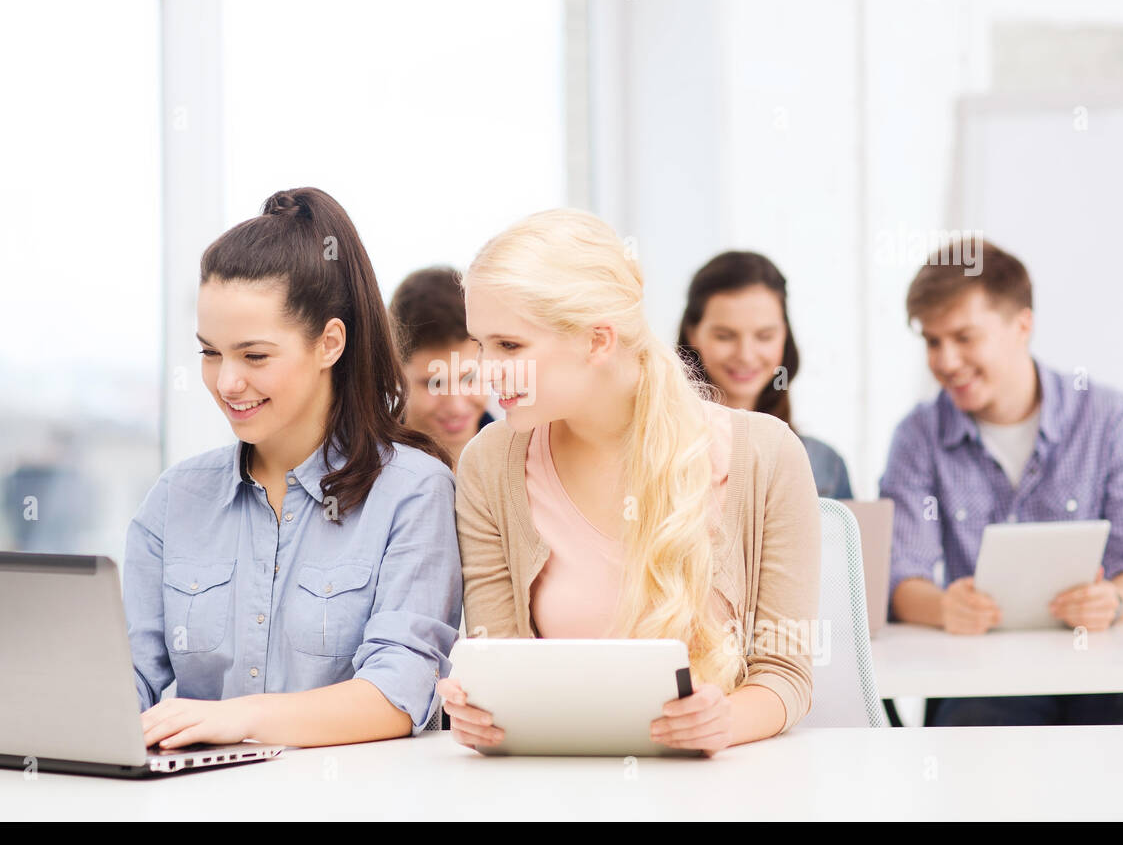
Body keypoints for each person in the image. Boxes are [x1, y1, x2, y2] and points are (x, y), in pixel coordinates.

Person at [439, 209, 821, 755]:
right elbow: (500, 663)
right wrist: (484, 718)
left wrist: (723, 722)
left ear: (597, 341)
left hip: (718, 786)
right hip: (561, 786)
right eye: (480, 344)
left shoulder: (768, 454)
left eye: (509, 346)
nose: (485, 370)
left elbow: (785, 672)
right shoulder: (489, 464)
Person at [124, 187, 463, 749]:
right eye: (210, 352)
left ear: (329, 342)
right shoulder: (175, 497)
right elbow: (129, 677)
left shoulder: (413, 492)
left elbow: (400, 689)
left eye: (254, 356)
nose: (227, 382)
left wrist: (242, 718)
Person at [880, 238, 1123, 726]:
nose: (946, 362)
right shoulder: (918, 436)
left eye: (964, 337)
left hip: (1100, 670)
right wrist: (943, 607)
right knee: (972, 731)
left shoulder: (1109, 419)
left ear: (1022, 325)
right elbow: (900, 579)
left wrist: (1116, 600)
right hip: (980, 682)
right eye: (932, 342)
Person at [677, 251, 852, 499]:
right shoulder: (660, 453)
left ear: (784, 335)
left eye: (764, 336)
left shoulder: (824, 466)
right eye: (724, 336)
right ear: (693, 334)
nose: (746, 355)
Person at [388, 265, 493, 469]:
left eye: (469, 378)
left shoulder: (527, 459)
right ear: (394, 373)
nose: (457, 406)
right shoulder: (366, 472)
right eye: (434, 383)